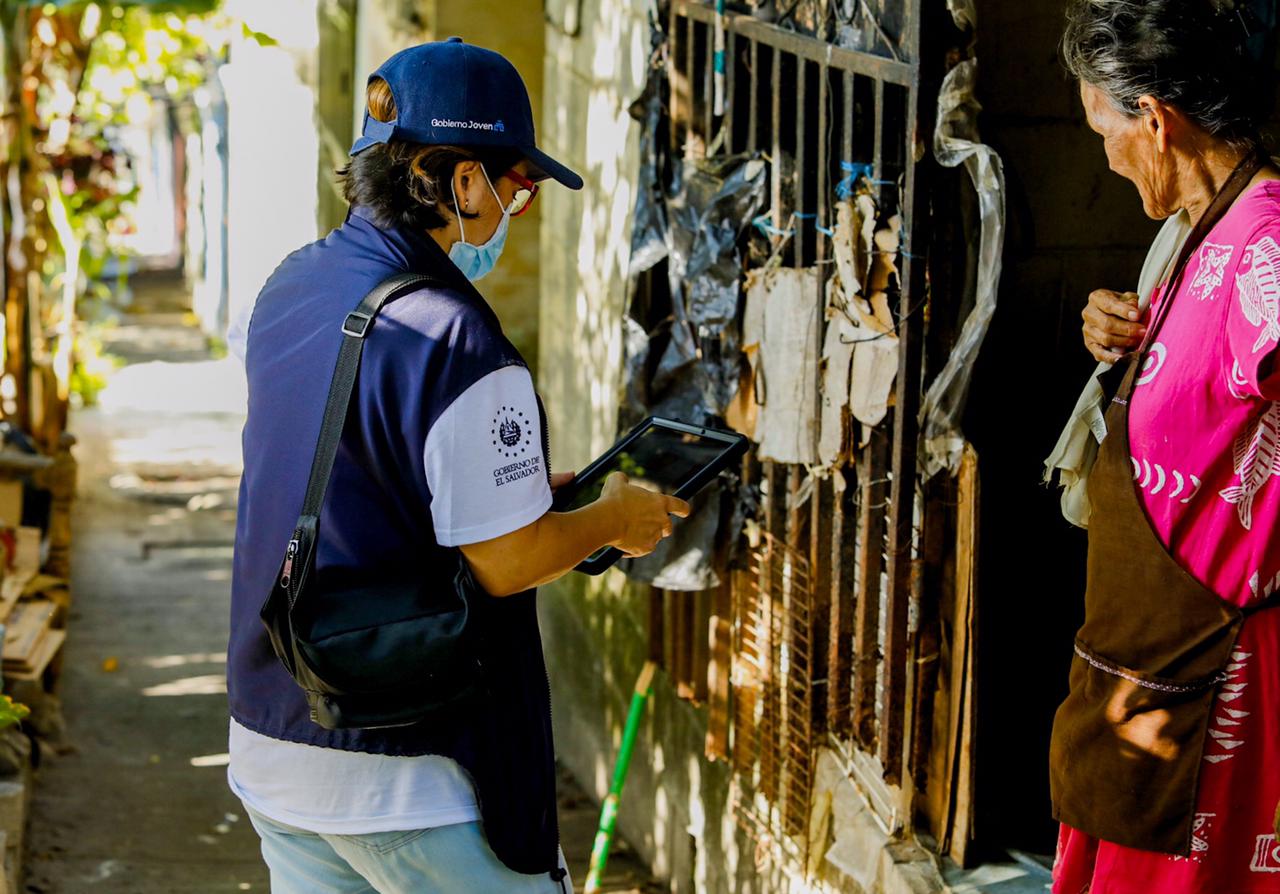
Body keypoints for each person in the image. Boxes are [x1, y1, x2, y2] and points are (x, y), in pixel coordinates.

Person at [225, 39, 689, 893]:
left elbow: (350, 464)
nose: (525, 205)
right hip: (410, 773)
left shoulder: (292, 284)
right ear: (462, 182)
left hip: (274, 737)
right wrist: (615, 518)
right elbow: (507, 563)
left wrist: (515, 498)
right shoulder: (459, 338)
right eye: (521, 183)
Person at [1052, 2, 1280, 892]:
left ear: (1155, 118)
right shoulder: (1191, 234)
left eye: (1101, 126)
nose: (1101, 152)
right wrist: (1121, 342)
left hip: (1217, 690)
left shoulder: (1265, 241)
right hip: (1143, 673)